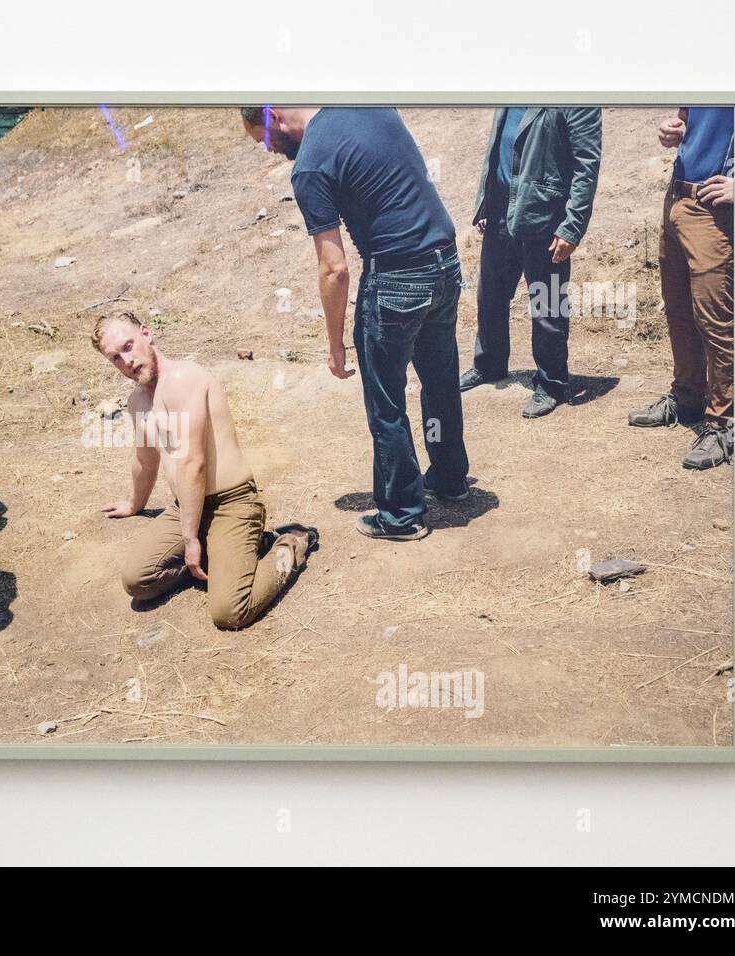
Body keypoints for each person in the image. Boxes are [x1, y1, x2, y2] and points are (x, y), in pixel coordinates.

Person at [241, 106, 469, 541]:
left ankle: (401, 514)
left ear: (272, 115)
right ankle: (450, 477)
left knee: (385, 402)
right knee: (439, 377)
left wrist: (335, 343)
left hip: (397, 278)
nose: (269, 151)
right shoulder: (369, 104)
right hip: (444, 261)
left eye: (264, 140)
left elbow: (334, 269)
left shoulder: (309, 165)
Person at [93, 312, 315, 630]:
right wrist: (134, 505)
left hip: (232, 503)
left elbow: (192, 464)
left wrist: (189, 537)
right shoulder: (138, 401)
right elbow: (145, 460)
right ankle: (224, 554)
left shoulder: (186, 378)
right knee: (137, 581)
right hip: (187, 505)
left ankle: (289, 545)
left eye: (129, 346)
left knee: (230, 613)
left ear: (146, 333)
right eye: (115, 357)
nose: (126, 360)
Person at [460, 107, 602, 418]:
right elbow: (496, 150)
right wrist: (484, 200)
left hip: (544, 216)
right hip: (499, 211)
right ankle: (489, 365)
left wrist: (572, 227)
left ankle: (551, 383)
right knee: (490, 296)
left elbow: (586, 166)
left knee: (548, 304)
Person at [627, 106, 735, 470]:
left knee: (716, 321)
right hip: (677, 197)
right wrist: (672, 131)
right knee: (679, 309)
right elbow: (689, 121)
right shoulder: (703, 69)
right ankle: (688, 397)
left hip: (714, 207)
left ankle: (724, 425)